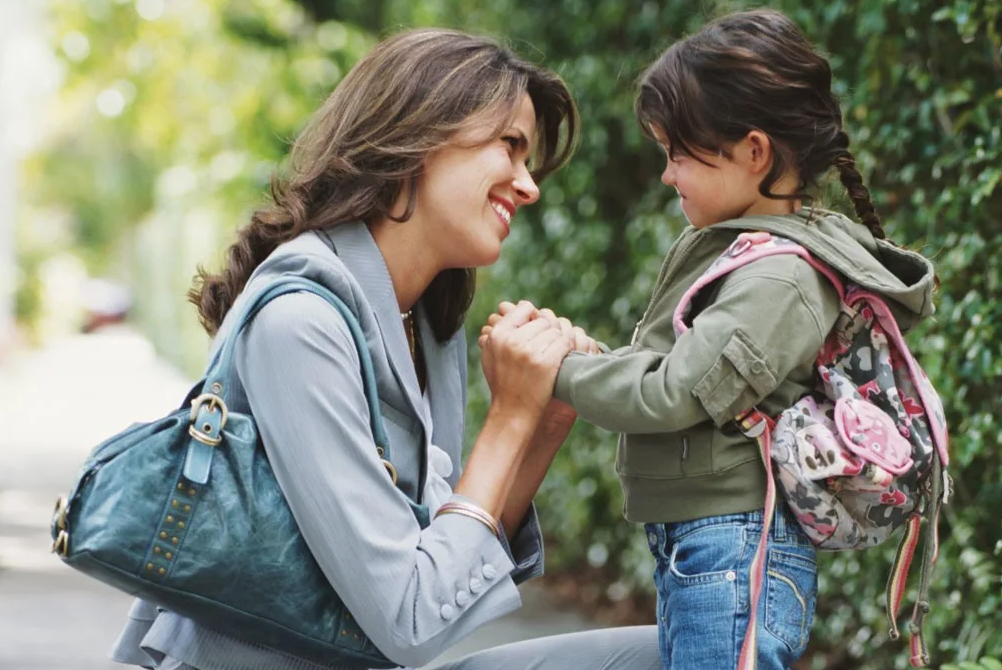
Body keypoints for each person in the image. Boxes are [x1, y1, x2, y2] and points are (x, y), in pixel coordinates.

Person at [109, 27, 659, 670]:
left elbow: (440, 563)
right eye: (509, 147)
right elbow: (411, 618)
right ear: (419, 136)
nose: (528, 185)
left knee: (701, 649)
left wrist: (543, 421)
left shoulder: (426, 323)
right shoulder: (299, 324)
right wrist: (508, 418)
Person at [481, 8, 938, 670]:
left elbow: (671, 394)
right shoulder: (740, 252)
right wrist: (584, 360)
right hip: (711, 544)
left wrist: (552, 372)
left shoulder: (780, 276)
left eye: (677, 155)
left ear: (754, 152)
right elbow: (686, 379)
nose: (667, 175)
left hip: (736, 548)